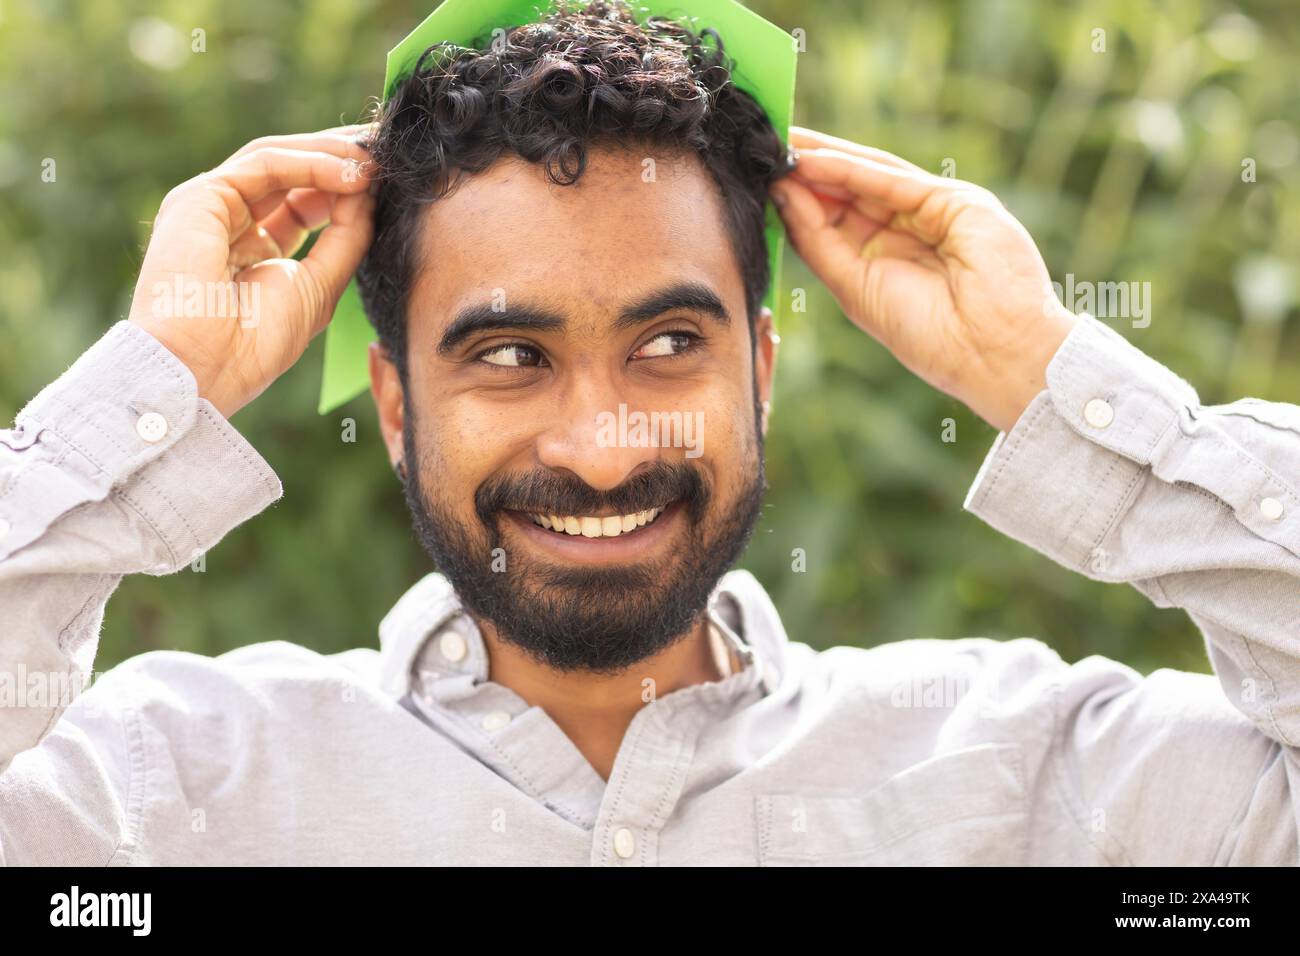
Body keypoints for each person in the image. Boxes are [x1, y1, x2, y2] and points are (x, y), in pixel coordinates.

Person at [1, 1, 1296, 866]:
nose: (606, 444)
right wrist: (155, 386)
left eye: (670, 345)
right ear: (395, 408)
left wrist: (1047, 374)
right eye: (511, 356)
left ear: (762, 373)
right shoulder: (165, 797)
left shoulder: (1034, 779)